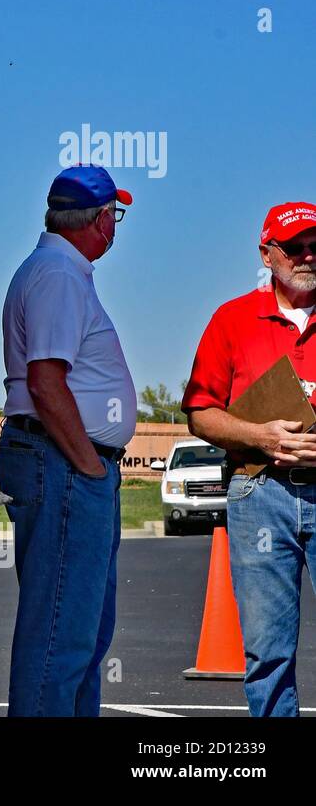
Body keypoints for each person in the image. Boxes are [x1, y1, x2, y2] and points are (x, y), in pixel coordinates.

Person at [0, 163, 136, 716]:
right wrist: (90, 467)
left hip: (65, 465)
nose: (114, 226)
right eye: (114, 215)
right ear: (102, 220)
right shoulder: (58, 272)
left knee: (81, 635)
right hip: (65, 466)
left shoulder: (59, 270)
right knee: (60, 637)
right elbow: (46, 381)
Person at [182, 202, 316, 716]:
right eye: (294, 246)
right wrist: (259, 435)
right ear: (267, 253)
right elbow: (200, 413)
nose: (307, 255)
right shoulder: (233, 318)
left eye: (315, 246)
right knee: (268, 649)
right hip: (260, 494)